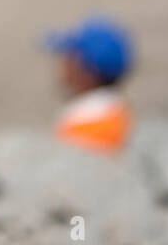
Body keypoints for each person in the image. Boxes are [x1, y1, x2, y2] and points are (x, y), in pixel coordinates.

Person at [43, 17, 135, 153]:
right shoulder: (118, 114)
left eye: (68, 58)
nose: (61, 67)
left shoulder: (84, 129)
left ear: (87, 69)